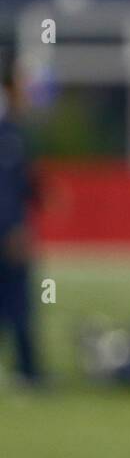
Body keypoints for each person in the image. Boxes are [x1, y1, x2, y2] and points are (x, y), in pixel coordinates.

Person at [0, 53, 40, 386]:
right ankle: (28, 372)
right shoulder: (6, 132)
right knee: (18, 303)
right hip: (6, 232)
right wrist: (11, 226)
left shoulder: (14, 130)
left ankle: (28, 370)